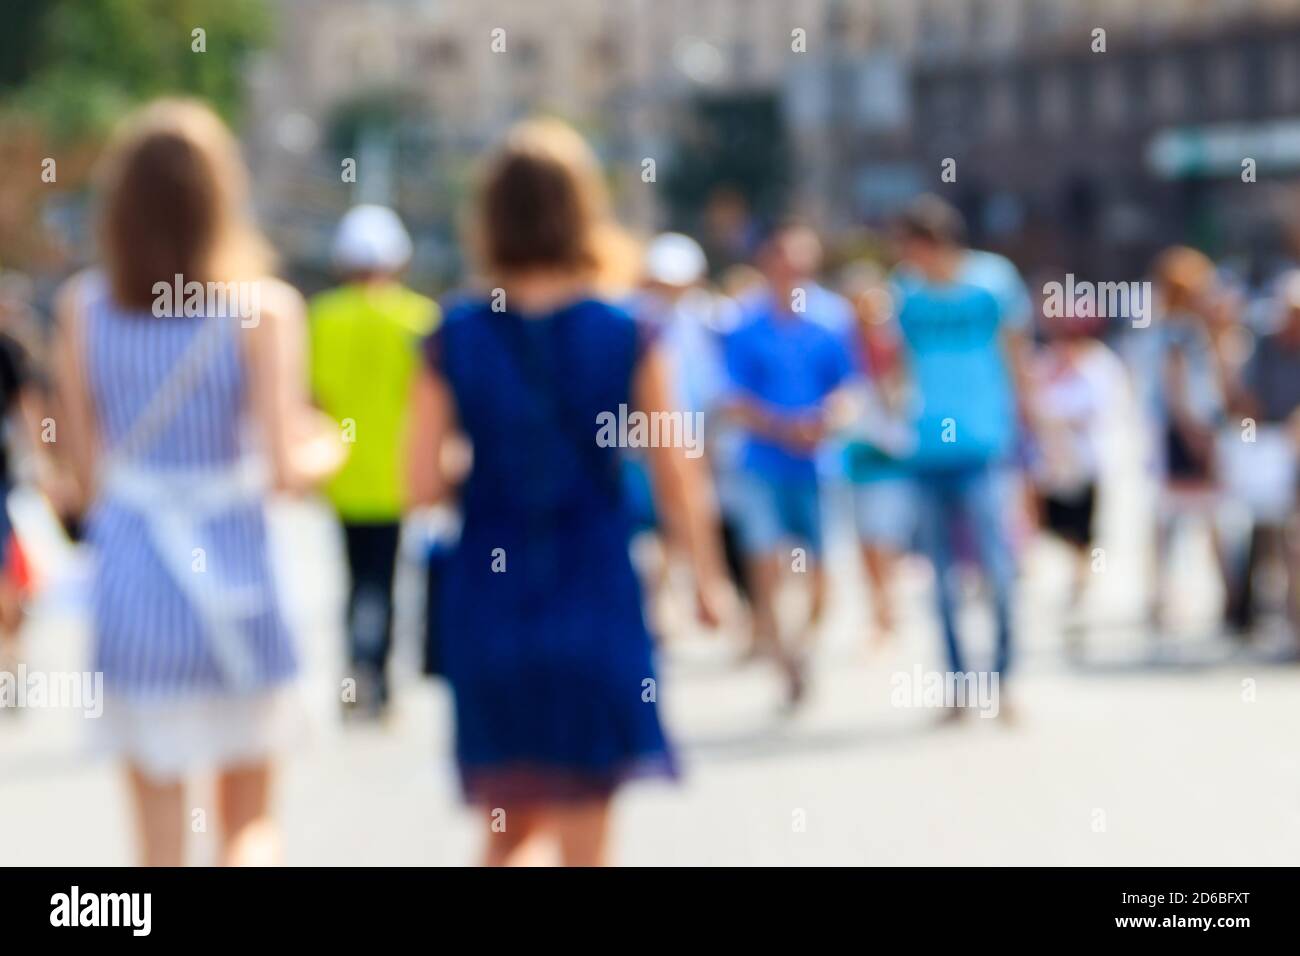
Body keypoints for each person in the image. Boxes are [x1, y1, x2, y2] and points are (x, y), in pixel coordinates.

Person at [405, 119, 730, 867]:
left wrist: (492, 469)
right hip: (595, 585)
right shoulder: (628, 330)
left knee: (506, 830)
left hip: (489, 596)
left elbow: (419, 487)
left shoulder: (453, 333)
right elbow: (676, 471)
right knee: (587, 830)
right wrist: (707, 581)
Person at [53, 99, 344, 866]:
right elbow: (286, 474)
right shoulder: (263, 312)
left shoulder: (84, 310)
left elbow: (83, 481)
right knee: (247, 827)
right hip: (239, 582)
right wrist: (327, 448)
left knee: (157, 847)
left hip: (136, 590)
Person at [890, 195, 1031, 715]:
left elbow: (1017, 357)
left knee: (997, 567)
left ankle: (1004, 679)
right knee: (940, 578)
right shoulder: (904, 292)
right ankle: (957, 684)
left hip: (984, 444)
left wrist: (1032, 429)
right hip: (925, 448)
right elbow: (896, 366)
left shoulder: (993, 282)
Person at [309, 205, 438, 719]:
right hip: (399, 473)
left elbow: (312, 399)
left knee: (353, 577)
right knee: (385, 579)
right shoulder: (419, 318)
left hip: (340, 474)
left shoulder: (322, 317)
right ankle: (379, 679)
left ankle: (356, 674)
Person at [720, 223, 855, 703]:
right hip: (762, 462)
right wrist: (780, 426)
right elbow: (732, 398)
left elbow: (848, 389)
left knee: (820, 569)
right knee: (766, 562)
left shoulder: (832, 319)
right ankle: (780, 657)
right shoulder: (745, 324)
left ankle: (802, 646)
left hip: (817, 464)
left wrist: (824, 421)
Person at [1123, 247, 1230, 633]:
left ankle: (1162, 598)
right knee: (1201, 515)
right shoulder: (1179, 332)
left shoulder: (1167, 329)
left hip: (1173, 430)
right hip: (1185, 431)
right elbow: (1177, 386)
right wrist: (1196, 435)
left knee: (1173, 518)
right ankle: (1224, 598)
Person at [1027, 301, 1125, 650]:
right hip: (1051, 464)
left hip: (1085, 461)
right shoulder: (1046, 362)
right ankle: (1071, 578)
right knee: (1055, 526)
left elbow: (1102, 409)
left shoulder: (1100, 365)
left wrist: (1063, 420)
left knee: (1084, 529)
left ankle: (1080, 585)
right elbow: (1033, 402)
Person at [836, 262, 916, 647]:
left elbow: (906, 396)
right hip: (855, 455)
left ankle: (888, 606)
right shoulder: (845, 345)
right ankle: (878, 606)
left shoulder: (897, 346)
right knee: (864, 538)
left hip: (891, 456)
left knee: (885, 536)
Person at [1223, 270, 1300, 642]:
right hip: (1270, 450)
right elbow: (1247, 399)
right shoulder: (1266, 345)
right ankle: (1244, 612)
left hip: (1293, 446)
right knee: (1260, 532)